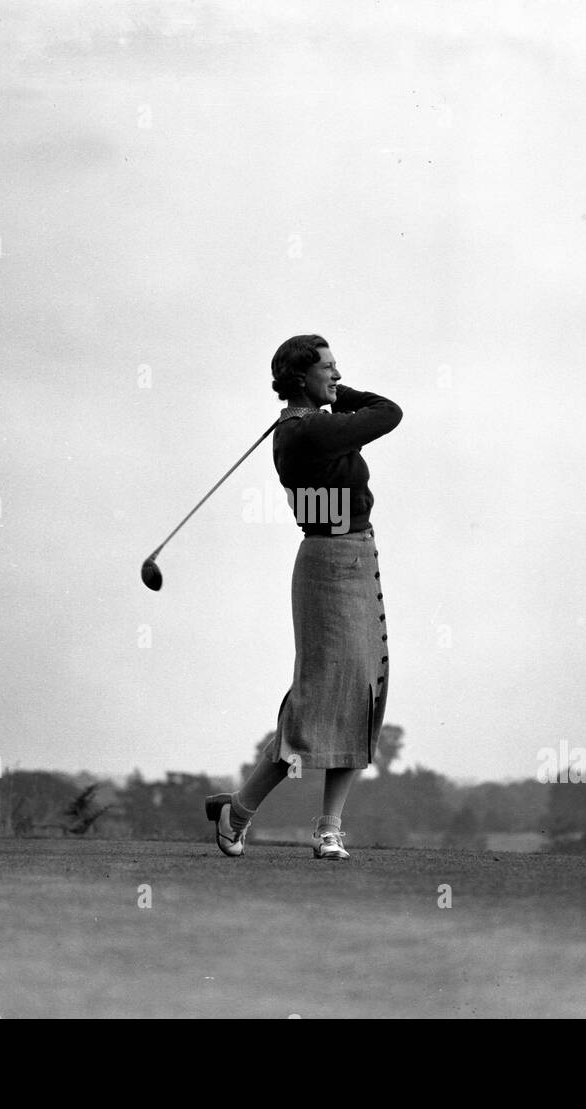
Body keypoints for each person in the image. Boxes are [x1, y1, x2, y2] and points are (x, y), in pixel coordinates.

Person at [205, 335, 402, 860]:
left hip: (357, 555)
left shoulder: (310, 424)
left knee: (359, 693)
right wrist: (340, 396)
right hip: (328, 564)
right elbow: (388, 412)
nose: (338, 376)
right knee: (318, 699)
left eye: (340, 367)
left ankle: (329, 828)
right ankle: (238, 811)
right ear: (300, 379)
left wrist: (331, 392)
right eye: (329, 369)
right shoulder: (311, 429)